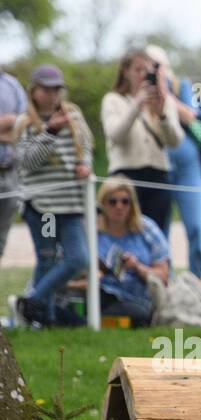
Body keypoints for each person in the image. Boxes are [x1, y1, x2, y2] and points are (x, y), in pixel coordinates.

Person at [11, 65, 94, 327]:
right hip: (43, 206)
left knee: (78, 257)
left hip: (70, 203)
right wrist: (50, 133)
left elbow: (86, 144)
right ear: (34, 91)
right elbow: (26, 162)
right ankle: (44, 319)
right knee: (47, 258)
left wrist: (86, 164)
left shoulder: (73, 115)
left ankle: (31, 302)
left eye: (56, 89)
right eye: (46, 89)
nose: (52, 95)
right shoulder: (24, 123)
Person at [101, 48, 184, 240]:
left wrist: (162, 114)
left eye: (146, 71)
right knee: (126, 232)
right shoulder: (113, 100)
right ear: (125, 72)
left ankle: (158, 269)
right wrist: (136, 106)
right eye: (138, 70)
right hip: (126, 177)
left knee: (157, 235)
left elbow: (175, 141)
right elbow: (116, 136)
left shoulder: (164, 102)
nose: (142, 75)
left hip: (158, 175)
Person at [147, 45, 201, 280]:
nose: (153, 72)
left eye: (157, 66)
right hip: (158, 165)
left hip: (187, 165)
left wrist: (165, 94)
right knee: (159, 229)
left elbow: (192, 116)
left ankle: (197, 276)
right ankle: (164, 278)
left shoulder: (181, 85)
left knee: (195, 227)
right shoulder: (140, 91)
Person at [94, 177, 169, 326]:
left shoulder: (146, 228)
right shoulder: (91, 230)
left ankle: (97, 322)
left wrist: (137, 267)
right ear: (102, 204)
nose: (119, 206)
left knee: (140, 314)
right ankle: (98, 321)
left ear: (132, 204)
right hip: (99, 293)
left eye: (125, 201)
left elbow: (163, 277)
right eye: (112, 201)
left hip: (137, 299)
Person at [0, 64, 27, 268]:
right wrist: (7, 123)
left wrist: (13, 125)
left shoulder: (12, 85)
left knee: (1, 236)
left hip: (9, 171)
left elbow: (25, 127)